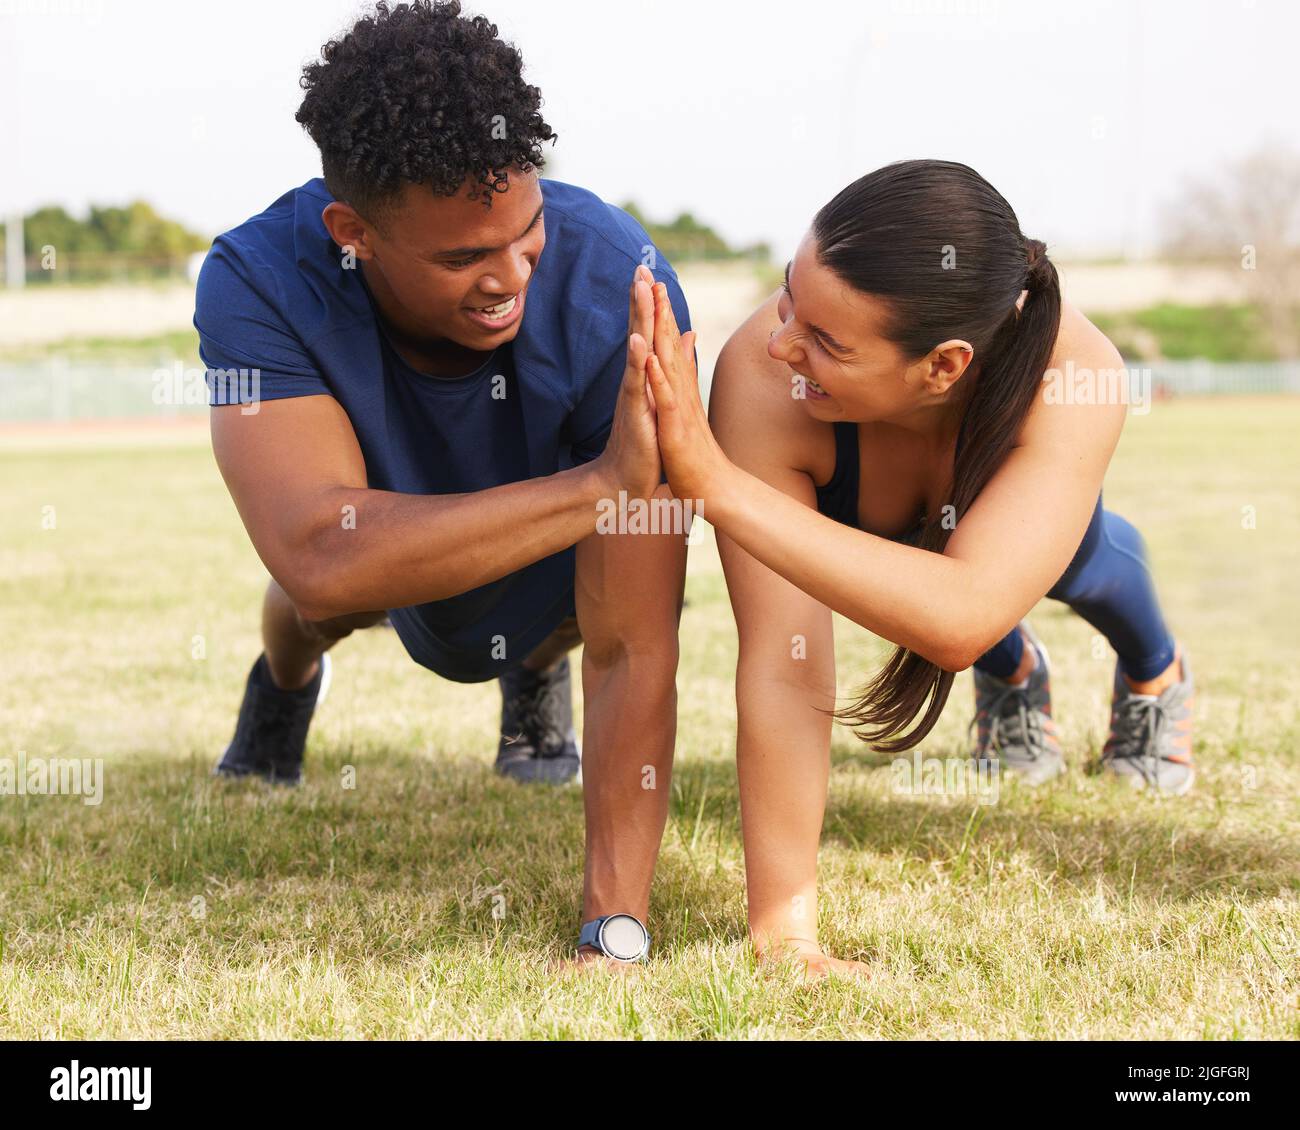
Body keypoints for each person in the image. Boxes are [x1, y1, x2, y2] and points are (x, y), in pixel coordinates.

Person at [196, 0, 688, 965]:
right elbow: (322, 552)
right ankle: (282, 695)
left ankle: (532, 673)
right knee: (309, 608)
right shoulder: (257, 278)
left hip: (549, 566)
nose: (511, 277)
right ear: (354, 232)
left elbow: (635, 641)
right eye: (464, 256)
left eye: (527, 231)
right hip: (388, 544)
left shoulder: (616, 278)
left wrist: (614, 926)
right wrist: (599, 486)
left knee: (593, 598)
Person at [642, 159, 1194, 977]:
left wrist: (718, 488)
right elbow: (787, 668)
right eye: (790, 294)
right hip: (887, 531)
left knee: (1081, 563)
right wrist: (785, 935)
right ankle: (1020, 675)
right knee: (875, 561)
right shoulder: (766, 376)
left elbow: (962, 615)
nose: (778, 341)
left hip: (988, 552)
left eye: (826, 342)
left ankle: (1156, 673)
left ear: (944, 367)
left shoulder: (1076, 373)